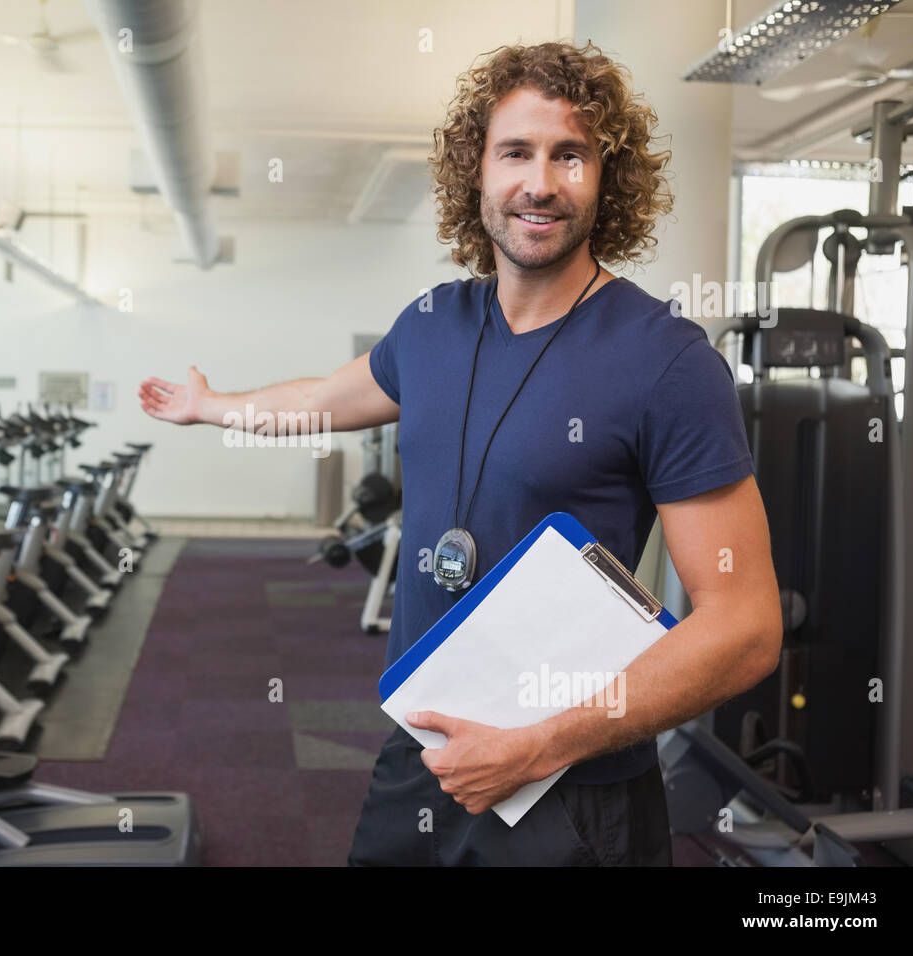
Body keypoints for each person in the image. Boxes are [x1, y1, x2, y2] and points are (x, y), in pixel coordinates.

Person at [138, 40, 782, 866]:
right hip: (426, 756)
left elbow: (747, 624)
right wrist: (211, 407)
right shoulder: (433, 323)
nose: (540, 182)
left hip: (575, 787)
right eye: (515, 151)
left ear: (605, 178)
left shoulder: (668, 361)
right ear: (475, 170)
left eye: (570, 155)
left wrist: (546, 742)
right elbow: (321, 402)